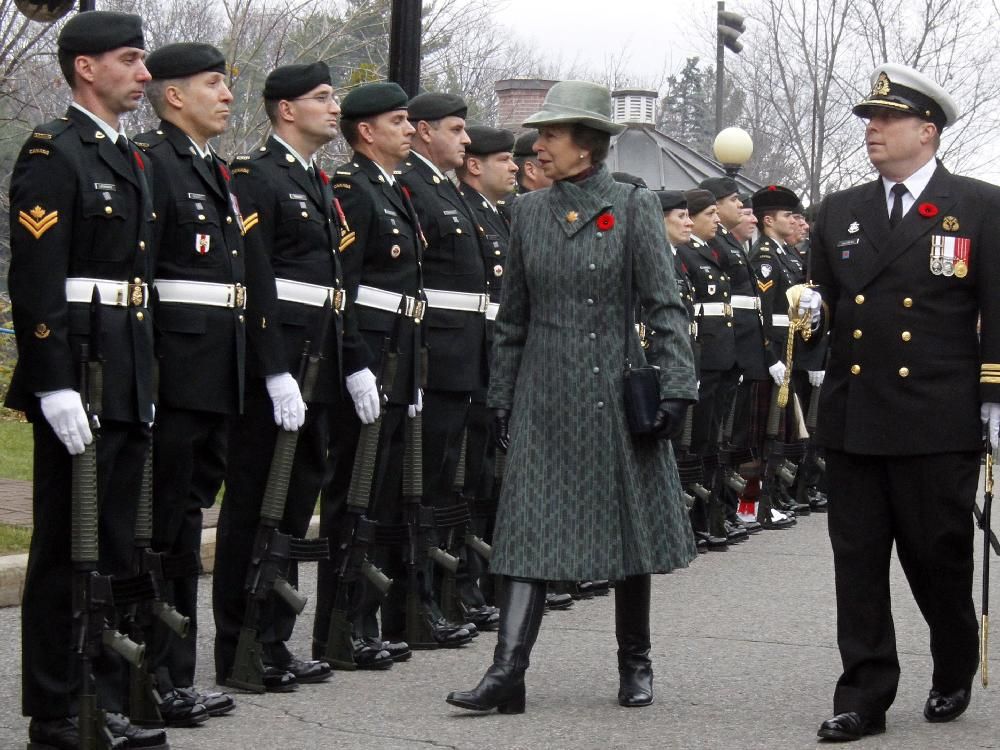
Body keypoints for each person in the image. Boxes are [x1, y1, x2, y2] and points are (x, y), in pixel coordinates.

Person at [445, 80, 697, 714]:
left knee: (627, 531)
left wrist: (676, 388)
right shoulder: (526, 213)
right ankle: (507, 673)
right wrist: (501, 399)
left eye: (551, 135)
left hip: (616, 391)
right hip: (542, 395)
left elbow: (664, 306)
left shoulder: (634, 207)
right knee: (525, 529)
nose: (537, 146)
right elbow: (512, 321)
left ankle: (635, 664)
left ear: (586, 146)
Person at [811, 63, 1000, 741]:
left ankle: (953, 660)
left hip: (935, 416)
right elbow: (822, 306)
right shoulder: (838, 211)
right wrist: (805, 320)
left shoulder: (979, 206)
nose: (874, 130)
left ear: (928, 130)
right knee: (857, 565)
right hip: (856, 412)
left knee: (937, 556)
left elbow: (995, 307)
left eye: (887, 119)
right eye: (868, 120)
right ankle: (863, 695)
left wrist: (994, 396)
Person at [7, 11, 169, 750]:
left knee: (111, 542)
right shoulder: (55, 152)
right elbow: (37, 278)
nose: (144, 75)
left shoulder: (129, 158)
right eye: (131, 60)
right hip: (80, 370)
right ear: (85, 68)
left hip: (127, 365)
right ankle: (56, 708)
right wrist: (51, 379)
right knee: (66, 545)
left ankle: (102, 692)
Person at [214, 61, 364, 691]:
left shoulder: (318, 182)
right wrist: (273, 369)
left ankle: (273, 639)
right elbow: (255, 281)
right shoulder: (256, 176)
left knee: (296, 498)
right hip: (279, 369)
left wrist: (350, 362)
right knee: (255, 503)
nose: (335, 109)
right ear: (285, 110)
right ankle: (239, 642)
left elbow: (335, 288)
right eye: (322, 99)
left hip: (319, 365)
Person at [311, 81, 471, 664]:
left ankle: (363, 621)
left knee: (378, 496)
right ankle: (340, 623)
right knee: (354, 496)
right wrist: (354, 361)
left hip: (403, 355)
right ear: (367, 131)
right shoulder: (355, 189)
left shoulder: (389, 190)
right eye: (399, 121)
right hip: (374, 358)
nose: (410, 130)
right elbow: (345, 287)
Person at [136, 42, 241, 725]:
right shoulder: (153, 162)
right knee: (161, 528)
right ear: (175, 96)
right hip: (173, 379)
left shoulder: (211, 168)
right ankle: (152, 674)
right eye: (213, 84)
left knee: (184, 525)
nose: (228, 95)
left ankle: (175, 673)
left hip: (211, 378)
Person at [398, 93, 489, 635]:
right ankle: (415, 603)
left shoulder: (443, 189)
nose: (466, 139)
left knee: (446, 480)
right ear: (425, 131)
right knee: (423, 482)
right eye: (457, 129)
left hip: (463, 356)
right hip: (436, 355)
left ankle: (435, 597)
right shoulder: (414, 185)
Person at [454, 124, 520, 628]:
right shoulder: (467, 211)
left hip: (491, 358)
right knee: (457, 481)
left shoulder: (498, 217)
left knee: (482, 479)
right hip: (463, 358)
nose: (516, 168)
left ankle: (471, 584)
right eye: (505, 160)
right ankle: (455, 587)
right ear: (475, 164)